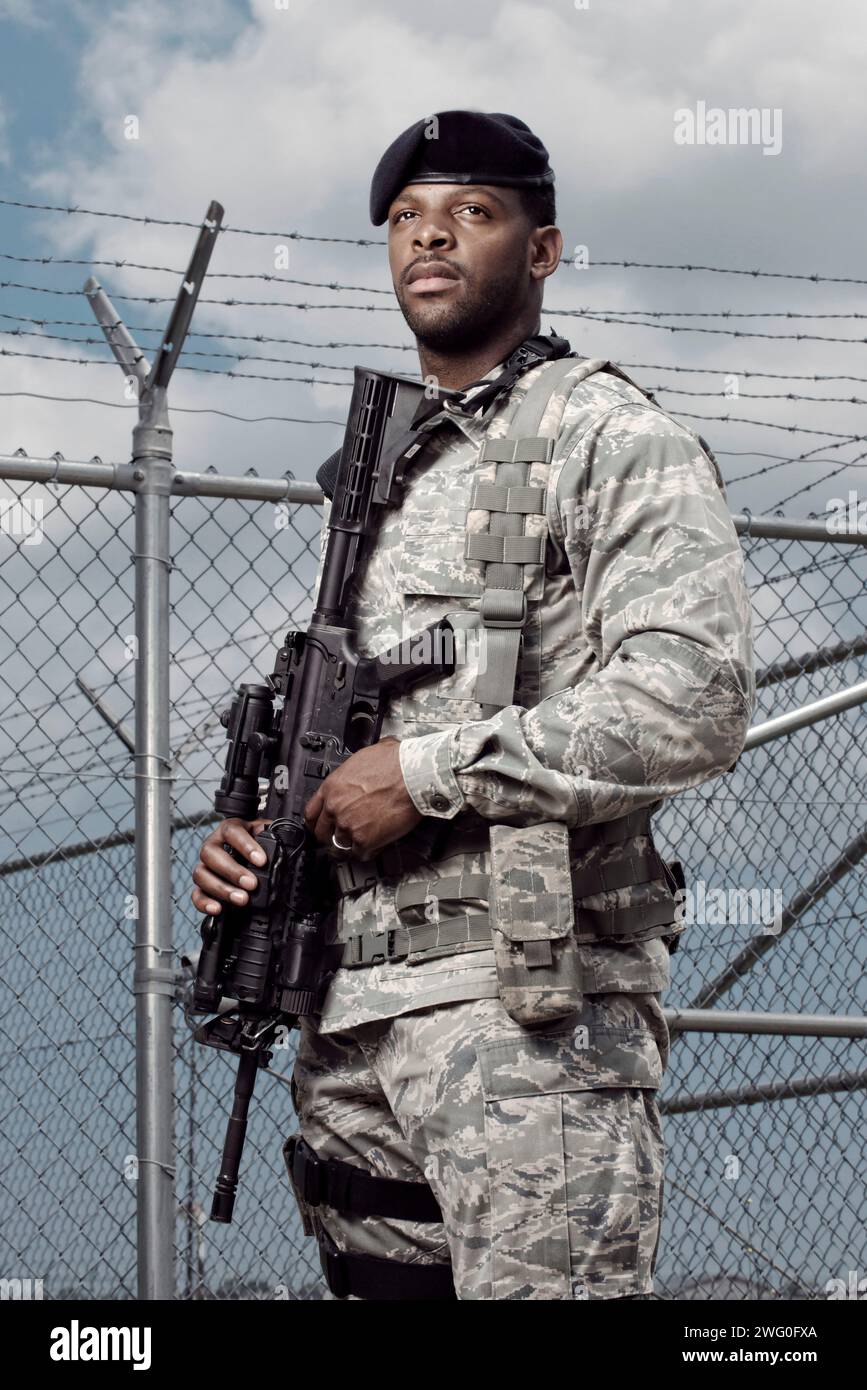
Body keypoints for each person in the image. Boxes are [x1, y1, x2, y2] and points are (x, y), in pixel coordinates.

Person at [191, 109, 755, 1300]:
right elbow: (346, 738)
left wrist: (429, 772)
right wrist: (264, 846)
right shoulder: (387, 474)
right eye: (404, 219)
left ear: (543, 252)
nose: (429, 237)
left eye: (470, 213)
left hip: (523, 1021)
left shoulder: (607, 436)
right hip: (350, 1017)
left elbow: (692, 697)